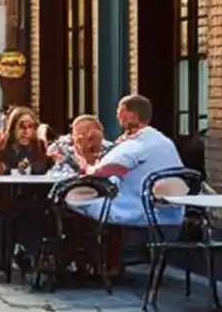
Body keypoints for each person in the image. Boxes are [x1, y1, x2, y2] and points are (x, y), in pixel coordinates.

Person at [68, 94, 184, 227]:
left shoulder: (135, 145)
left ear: (131, 115)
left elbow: (97, 172)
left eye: (120, 113)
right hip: (173, 216)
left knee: (72, 198)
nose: (118, 117)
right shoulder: (164, 141)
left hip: (142, 214)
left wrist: (81, 157)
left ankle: (92, 244)